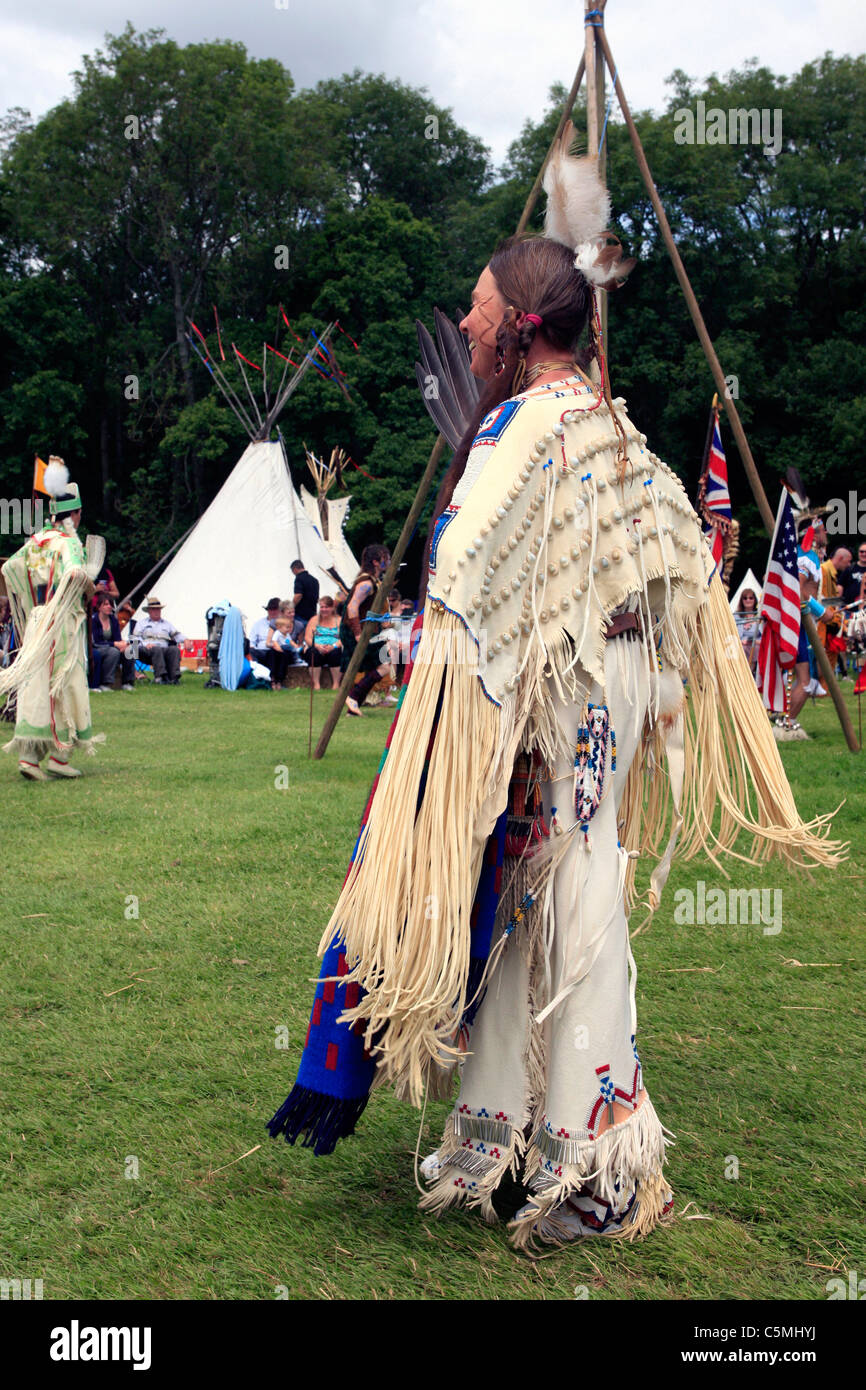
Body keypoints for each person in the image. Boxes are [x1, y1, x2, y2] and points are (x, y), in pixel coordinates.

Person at [267, 129, 842, 1249]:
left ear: (518, 334)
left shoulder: (523, 438)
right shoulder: (617, 433)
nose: (466, 329)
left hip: (556, 717)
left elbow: (467, 586)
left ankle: (602, 1168)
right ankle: (501, 1133)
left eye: (479, 316)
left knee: (572, 906)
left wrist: (439, 750)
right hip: (586, 718)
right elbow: (685, 567)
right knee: (527, 906)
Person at [0, 457, 104, 778]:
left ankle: (29, 758)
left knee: (37, 686)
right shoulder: (68, 543)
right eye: (78, 513)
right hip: (61, 624)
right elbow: (74, 572)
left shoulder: (36, 542)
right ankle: (60, 757)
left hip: (37, 620)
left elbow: (8, 568)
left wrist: (30, 601)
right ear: (72, 515)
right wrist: (86, 585)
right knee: (66, 685)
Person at [340, 545, 392, 716]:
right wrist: (357, 633)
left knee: (375, 666)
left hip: (365, 630)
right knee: (385, 665)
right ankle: (353, 698)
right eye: (386, 558)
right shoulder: (366, 583)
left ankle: (353, 704)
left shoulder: (372, 581)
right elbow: (352, 608)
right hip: (355, 631)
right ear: (376, 562)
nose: (389, 561)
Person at [134, 597, 185, 684]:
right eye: (154, 609)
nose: (156, 611)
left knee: (174, 649)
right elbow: (134, 638)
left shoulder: (167, 624)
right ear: (149, 611)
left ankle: (174, 677)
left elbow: (177, 635)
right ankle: (160, 676)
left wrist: (185, 640)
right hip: (146, 650)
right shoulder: (141, 623)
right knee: (156, 649)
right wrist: (145, 644)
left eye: (158, 609)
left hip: (163, 650)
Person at [91, 594, 136, 691]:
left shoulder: (113, 620)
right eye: (105, 604)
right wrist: (115, 644)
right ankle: (106, 683)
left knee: (130, 650)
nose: (109, 607)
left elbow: (117, 638)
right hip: (97, 648)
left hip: (111, 647)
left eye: (110, 604)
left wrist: (123, 645)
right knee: (113, 652)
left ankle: (128, 682)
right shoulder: (94, 620)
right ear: (99, 607)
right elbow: (95, 642)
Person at [303, 595, 343, 690]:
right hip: (317, 647)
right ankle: (316, 684)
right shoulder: (314, 620)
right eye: (322, 607)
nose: (324, 609)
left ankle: (336, 684)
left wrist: (333, 646)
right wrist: (318, 646)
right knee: (313, 653)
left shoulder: (339, 620)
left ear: (332, 608)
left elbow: (343, 638)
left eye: (327, 607)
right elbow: (307, 638)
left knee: (336, 654)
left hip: (334, 647)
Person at [291, 561, 320, 642]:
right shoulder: (315, 580)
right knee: (311, 638)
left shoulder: (299, 578)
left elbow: (298, 595)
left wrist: (291, 606)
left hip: (301, 614)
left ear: (295, 569)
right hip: (312, 613)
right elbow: (317, 598)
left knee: (301, 638)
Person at [733, 587, 760, 667]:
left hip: (755, 646)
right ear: (742, 601)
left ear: (754, 600)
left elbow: (763, 637)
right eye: (745, 598)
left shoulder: (759, 616)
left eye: (751, 598)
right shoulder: (736, 616)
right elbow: (733, 634)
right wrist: (741, 641)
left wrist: (751, 641)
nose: (748, 600)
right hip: (739, 647)